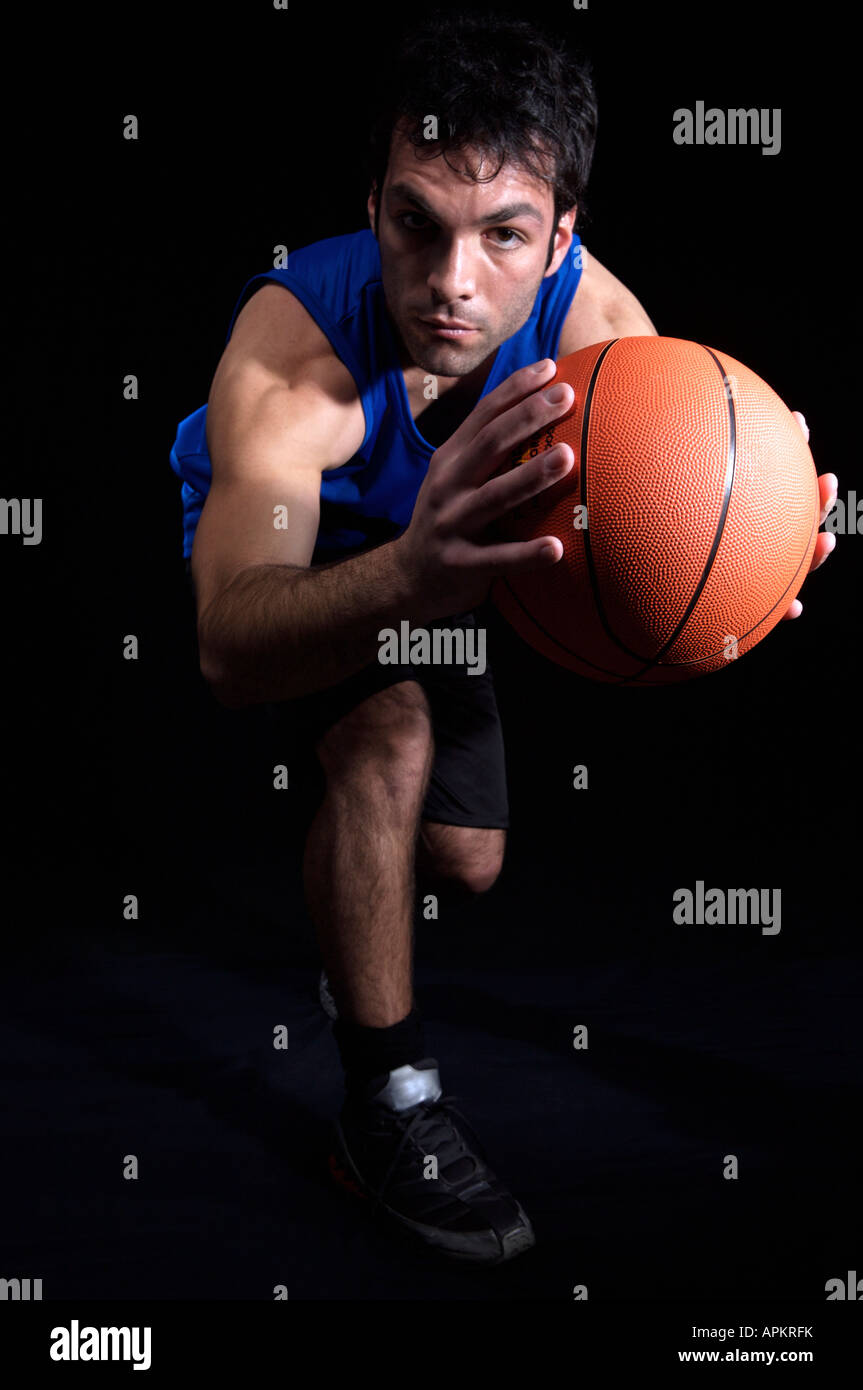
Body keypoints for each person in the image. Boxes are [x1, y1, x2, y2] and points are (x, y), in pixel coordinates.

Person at [169, 11, 836, 1265]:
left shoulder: (601, 334)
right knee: (384, 746)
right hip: (305, 556)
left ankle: (345, 907)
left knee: (466, 861)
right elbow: (226, 645)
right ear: (370, 205)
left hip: (450, 561)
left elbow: (685, 510)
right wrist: (405, 575)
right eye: (415, 222)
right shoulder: (291, 365)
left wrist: (761, 535)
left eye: (504, 235)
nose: (452, 281)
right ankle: (385, 1104)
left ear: (561, 238)